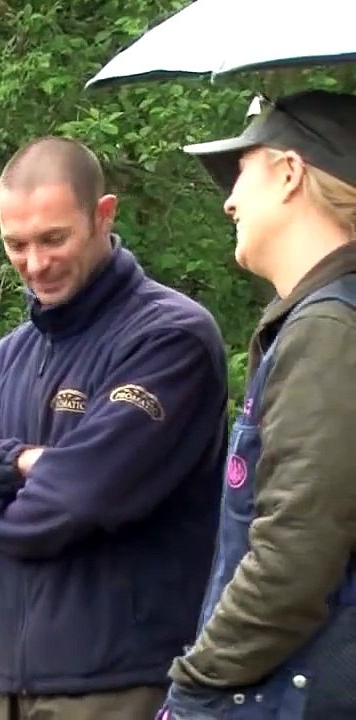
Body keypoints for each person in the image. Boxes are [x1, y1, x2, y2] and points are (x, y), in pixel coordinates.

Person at [0, 136, 229, 720]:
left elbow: (76, 499)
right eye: (17, 244)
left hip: (124, 682)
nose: (35, 264)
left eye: (53, 239)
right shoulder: (12, 354)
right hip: (11, 682)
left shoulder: (170, 338)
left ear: (103, 215)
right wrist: (19, 463)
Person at [159, 90, 356, 720]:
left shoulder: (330, 331)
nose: (229, 200)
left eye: (243, 169)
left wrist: (196, 684)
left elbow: (294, 555)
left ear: (292, 172)